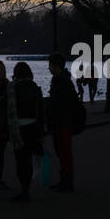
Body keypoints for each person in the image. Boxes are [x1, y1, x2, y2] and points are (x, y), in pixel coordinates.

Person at [8, 62, 44, 201]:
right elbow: (40, 110)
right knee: (28, 159)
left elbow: (9, 109)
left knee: (20, 160)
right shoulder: (34, 87)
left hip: (18, 127)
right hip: (33, 127)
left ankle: (24, 189)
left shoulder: (13, 88)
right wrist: (41, 131)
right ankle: (26, 187)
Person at [45, 52, 79, 192]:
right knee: (63, 153)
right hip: (62, 122)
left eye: (50, 65)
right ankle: (65, 180)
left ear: (55, 65)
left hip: (62, 122)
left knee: (64, 153)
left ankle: (66, 182)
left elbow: (61, 104)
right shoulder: (64, 80)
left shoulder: (61, 82)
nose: (49, 68)